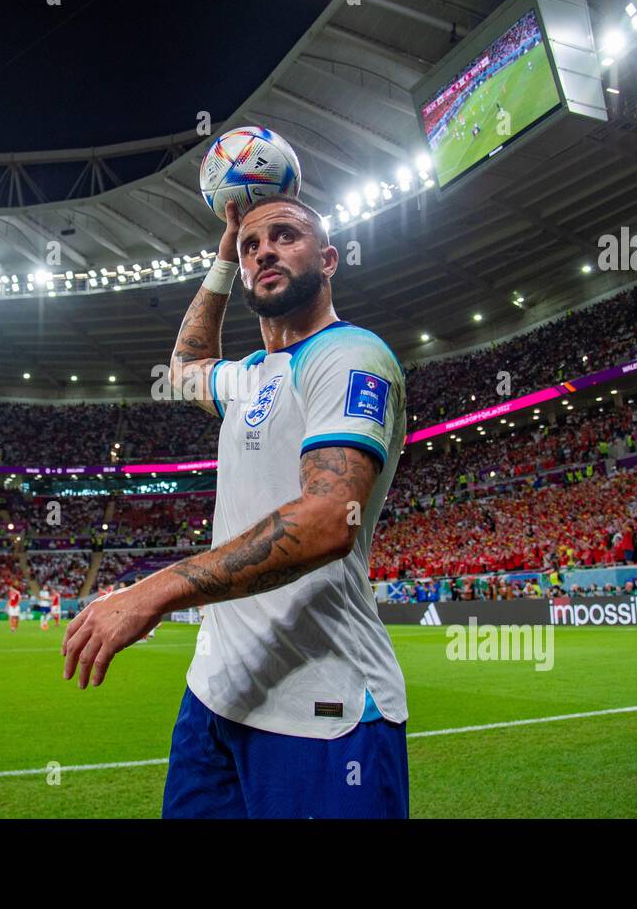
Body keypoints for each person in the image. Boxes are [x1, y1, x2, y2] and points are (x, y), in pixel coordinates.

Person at [62, 196, 409, 819]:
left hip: (320, 711)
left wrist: (155, 591)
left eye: (286, 236)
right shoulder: (250, 376)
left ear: (328, 260)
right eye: (253, 246)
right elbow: (185, 366)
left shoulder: (351, 355)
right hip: (214, 700)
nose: (265, 250)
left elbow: (330, 519)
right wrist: (226, 251)